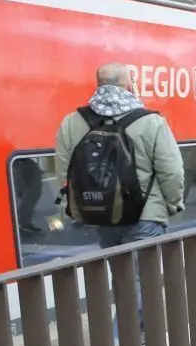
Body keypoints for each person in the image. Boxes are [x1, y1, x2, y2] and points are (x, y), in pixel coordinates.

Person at [56, 62, 186, 248]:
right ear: (129, 86)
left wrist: (76, 206)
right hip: (145, 216)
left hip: (100, 214)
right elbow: (171, 171)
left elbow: (64, 171)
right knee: (146, 275)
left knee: (120, 274)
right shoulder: (152, 122)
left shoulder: (71, 122)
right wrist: (173, 205)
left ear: (99, 85)